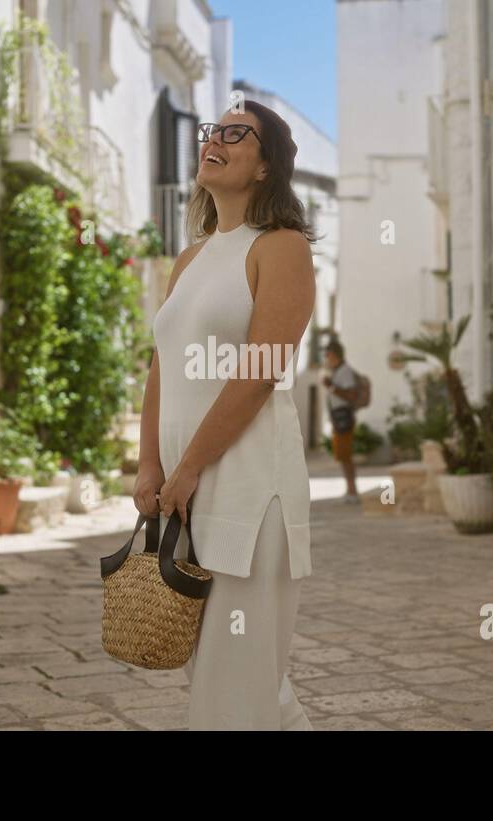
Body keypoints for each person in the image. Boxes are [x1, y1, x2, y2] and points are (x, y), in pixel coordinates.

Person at [133, 100, 316, 731]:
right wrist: (149, 465)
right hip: (184, 489)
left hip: (246, 485)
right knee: (246, 682)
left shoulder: (281, 248)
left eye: (238, 133)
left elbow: (261, 372)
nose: (215, 139)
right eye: (214, 129)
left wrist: (187, 468)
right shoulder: (191, 258)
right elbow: (162, 366)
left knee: (232, 684)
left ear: (266, 167)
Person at [322, 340, 360, 503]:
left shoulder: (345, 371)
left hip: (343, 416)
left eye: (328, 354)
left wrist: (331, 386)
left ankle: (352, 491)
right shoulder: (337, 371)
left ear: (335, 354)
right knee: (343, 455)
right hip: (339, 417)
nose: (326, 357)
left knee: (346, 456)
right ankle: (350, 489)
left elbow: (351, 395)